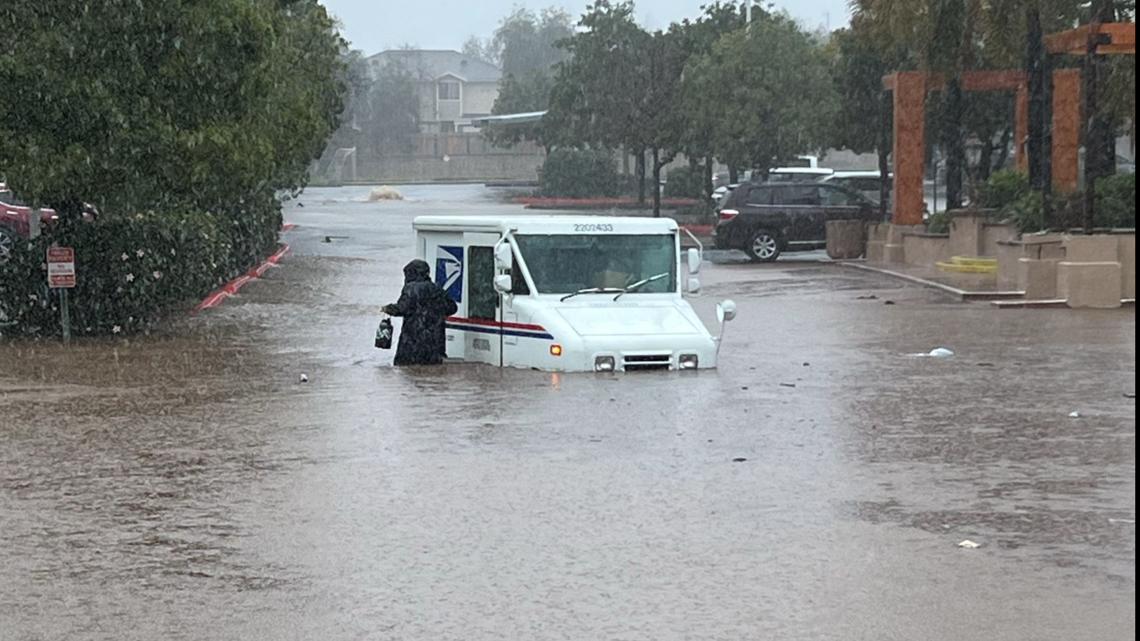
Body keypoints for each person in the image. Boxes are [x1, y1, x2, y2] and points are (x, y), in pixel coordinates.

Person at [381, 259, 458, 366]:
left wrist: (388, 308)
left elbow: (402, 308)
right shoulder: (437, 288)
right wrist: (435, 313)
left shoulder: (410, 288)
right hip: (434, 343)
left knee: (409, 373)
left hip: (412, 343)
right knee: (432, 374)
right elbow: (452, 308)